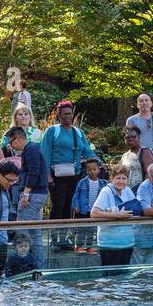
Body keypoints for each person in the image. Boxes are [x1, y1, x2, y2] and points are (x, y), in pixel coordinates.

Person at [40, 100, 95, 248]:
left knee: (69, 205)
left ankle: (64, 238)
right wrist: (47, 175)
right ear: (59, 115)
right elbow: (45, 153)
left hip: (74, 174)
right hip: (56, 175)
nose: (67, 117)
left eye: (70, 114)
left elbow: (87, 151)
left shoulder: (78, 132)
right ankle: (54, 239)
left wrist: (98, 162)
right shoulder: (52, 131)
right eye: (64, 114)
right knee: (58, 205)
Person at [6, 126, 49, 268]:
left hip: (33, 194)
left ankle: (23, 266)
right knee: (35, 233)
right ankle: (38, 267)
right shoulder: (31, 149)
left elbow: (33, 172)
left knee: (22, 229)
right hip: (38, 194)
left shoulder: (31, 149)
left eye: (11, 141)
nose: (11, 145)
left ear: (18, 138)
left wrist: (26, 193)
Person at [91, 165, 143, 267]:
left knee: (123, 276)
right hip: (109, 244)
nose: (121, 181)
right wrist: (117, 215)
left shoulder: (127, 190)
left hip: (127, 242)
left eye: (124, 178)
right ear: (112, 179)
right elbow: (94, 213)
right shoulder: (106, 191)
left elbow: (135, 209)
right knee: (110, 276)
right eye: (118, 178)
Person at [72, 157, 106, 254]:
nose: (92, 171)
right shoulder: (82, 182)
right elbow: (76, 195)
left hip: (94, 211)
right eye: (89, 170)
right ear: (86, 171)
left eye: (94, 169)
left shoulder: (102, 183)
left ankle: (89, 247)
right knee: (82, 229)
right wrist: (76, 206)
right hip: (83, 210)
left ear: (99, 169)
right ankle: (79, 246)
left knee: (91, 229)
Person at [119, 125, 153, 191]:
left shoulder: (144, 152)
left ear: (139, 137)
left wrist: (142, 191)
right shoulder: (124, 156)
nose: (130, 139)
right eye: (127, 137)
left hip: (139, 192)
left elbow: (149, 174)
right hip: (126, 192)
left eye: (133, 137)